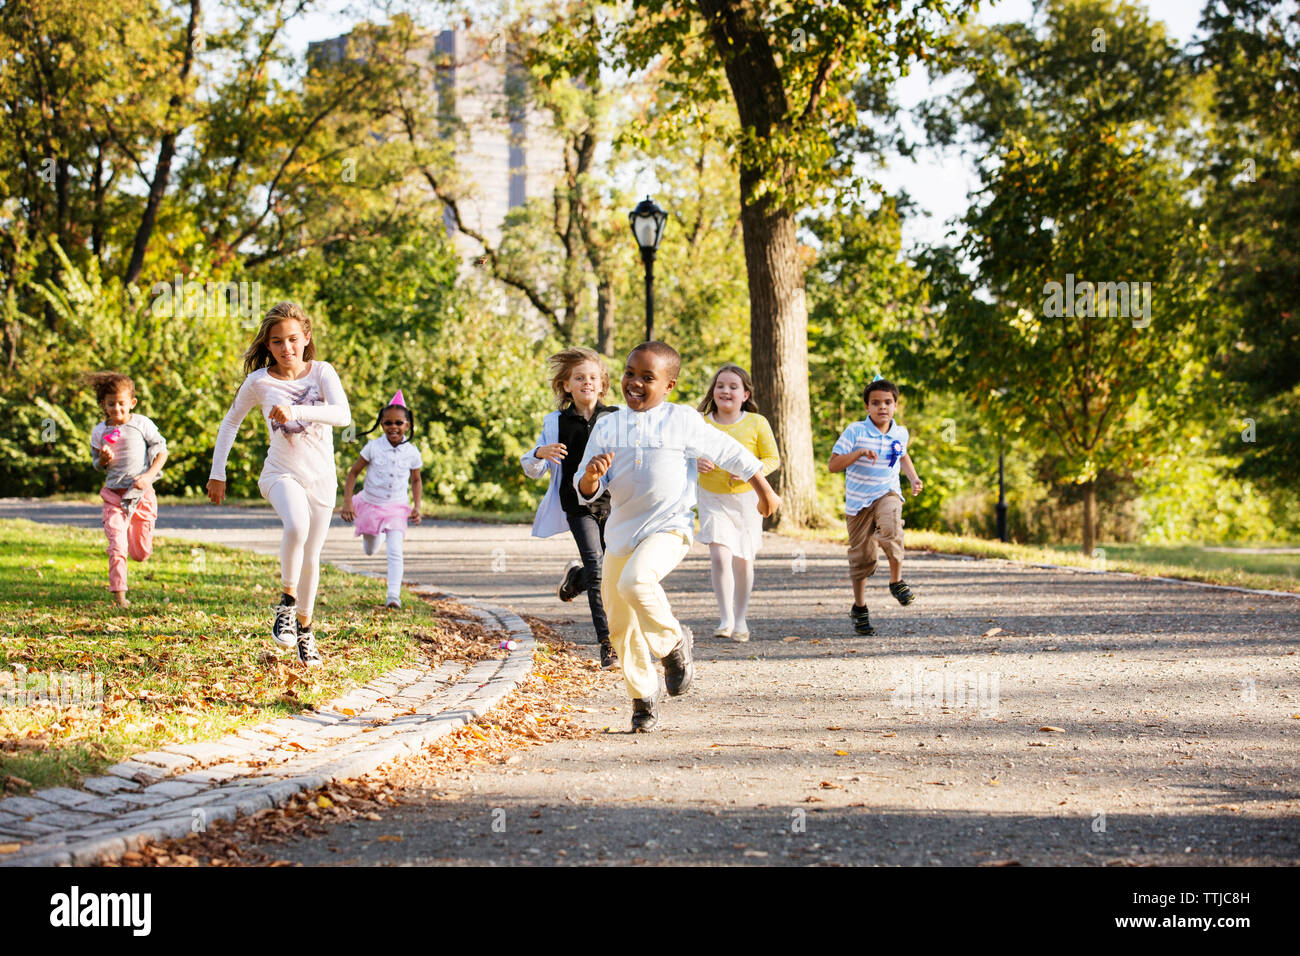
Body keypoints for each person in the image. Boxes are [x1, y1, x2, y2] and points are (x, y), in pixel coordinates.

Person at [575, 342, 780, 732]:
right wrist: (589, 478)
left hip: (670, 527)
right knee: (620, 626)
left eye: (647, 378)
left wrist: (764, 490)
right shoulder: (608, 424)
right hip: (620, 533)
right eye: (630, 373)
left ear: (669, 386)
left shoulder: (682, 420)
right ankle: (643, 698)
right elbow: (583, 486)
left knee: (637, 582)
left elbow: (730, 452)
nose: (634, 383)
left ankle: (673, 646)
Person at [206, 301, 351, 668]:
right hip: (280, 474)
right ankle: (286, 604)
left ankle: (305, 629)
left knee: (312, 557)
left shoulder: (321, 373)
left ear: (306, 337)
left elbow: (342, 414)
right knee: (296, 526)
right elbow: (230, 423)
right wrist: (217, 472)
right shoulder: (259, 382)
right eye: (276, 342)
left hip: (321, 479)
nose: (286, 348)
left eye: (292, 339)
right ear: (267, 346)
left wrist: (297, 410)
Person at [521, 348, 619, 669]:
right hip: (577, 505)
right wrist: (539, 453)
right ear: (567, 386)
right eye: (579, 378)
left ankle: (575, 579)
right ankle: (608, 644)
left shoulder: (616, 418)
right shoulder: (556, 423)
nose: (586, 382)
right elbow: (531, 468)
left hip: (614, 504)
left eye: (593, 378)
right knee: (599, 569)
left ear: (602, 385)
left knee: (612, 570)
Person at [827, 377, 923, 636]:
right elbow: (833, 465)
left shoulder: (900, 432)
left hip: (886, 492)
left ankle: (896, 580)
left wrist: (913, 478)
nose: (882, 407)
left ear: (896, 406)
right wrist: (858, 453)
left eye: (888, 402)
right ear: (867, 407)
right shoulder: (855, 431)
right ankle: (860, 607)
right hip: (858, 504)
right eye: (876, 403)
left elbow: (902, 454)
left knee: (892, 528)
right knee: (863, 557)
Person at [695, 363, 779, 642]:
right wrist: (695, 460)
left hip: (747, 500)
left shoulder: (757, 423)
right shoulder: (701, 422)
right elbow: (684, 451)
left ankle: (741, 619)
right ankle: (725, 618)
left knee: (743, 560)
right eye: (720, 386)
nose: (726, 391)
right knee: (720, 556)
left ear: (745, 394)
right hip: (712, 497)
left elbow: (772, 460)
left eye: (733, 387)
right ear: (713, 391)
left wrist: (750, 468)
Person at [88, 372, 167, 607]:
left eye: (121, 403)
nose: (116, 409)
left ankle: (138, 545)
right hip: (113, 496)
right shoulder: (99, 432)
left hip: (141, 495)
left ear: (132, 402)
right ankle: (119, 596)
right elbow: (96, 464)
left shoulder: (142, 424)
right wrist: (103, 459)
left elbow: (162, 452)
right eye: (111, 404)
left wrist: (148, 477)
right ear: (103, 404)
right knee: (116, 546)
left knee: (140, 553)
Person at [341, 390, 423, 609]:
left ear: (407, 424)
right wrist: (348, 502)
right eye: (388, 423)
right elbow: (353, 473)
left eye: (399, 423)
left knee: (395, 550)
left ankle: (393, 596)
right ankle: (376, 533)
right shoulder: (373, 447)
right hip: (371, 504)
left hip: (396, 507)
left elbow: (416, 480)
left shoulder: (412, 452)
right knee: (369, 550)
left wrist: (417, 506)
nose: (393, 427)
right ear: (381, 424)